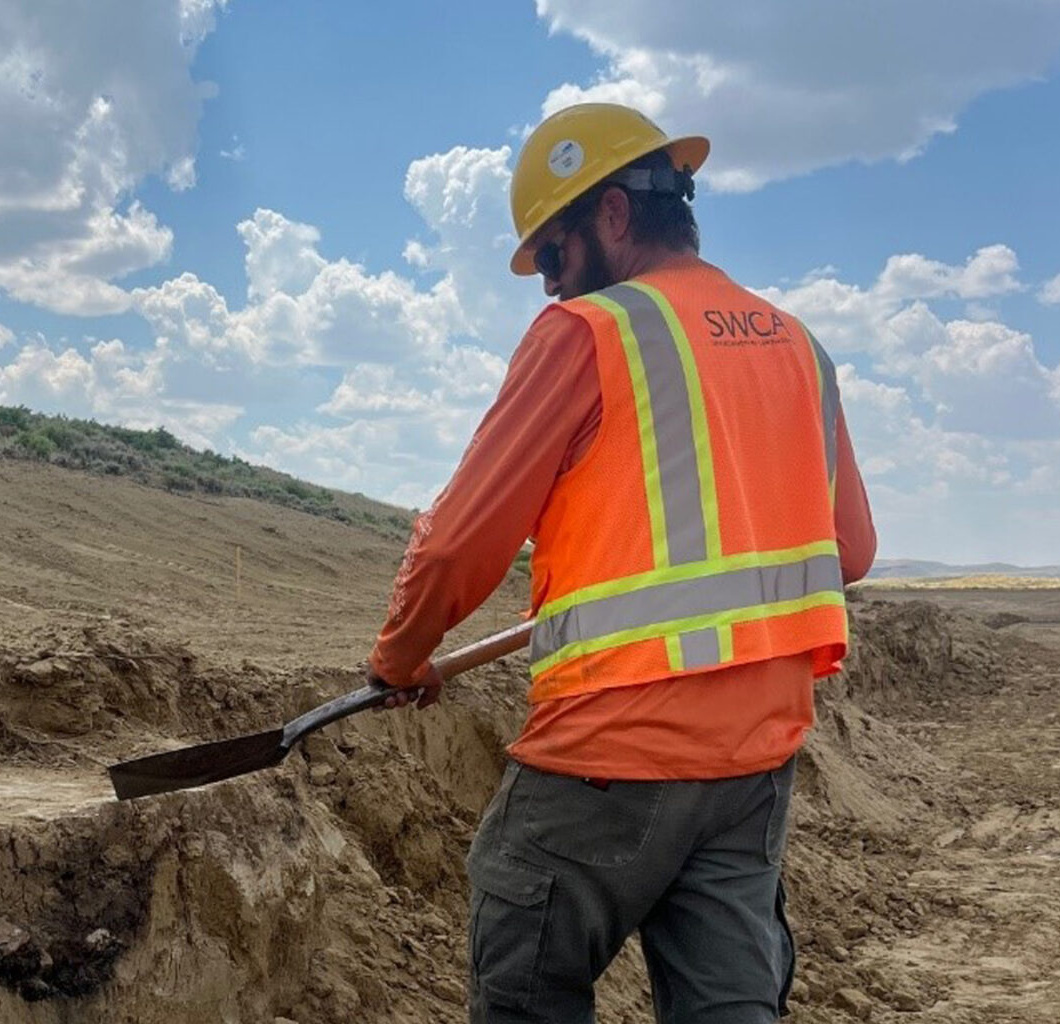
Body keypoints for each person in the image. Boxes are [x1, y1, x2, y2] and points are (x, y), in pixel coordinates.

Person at [365, 103, 877, 1023]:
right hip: (753, 768)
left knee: (524, 990)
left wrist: (401, 659)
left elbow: (455, 545)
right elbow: (853, 552)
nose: (549, 285)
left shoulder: (590, 333)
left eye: (552, 255)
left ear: (610, 214)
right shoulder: (801, 346)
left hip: (606, 757)